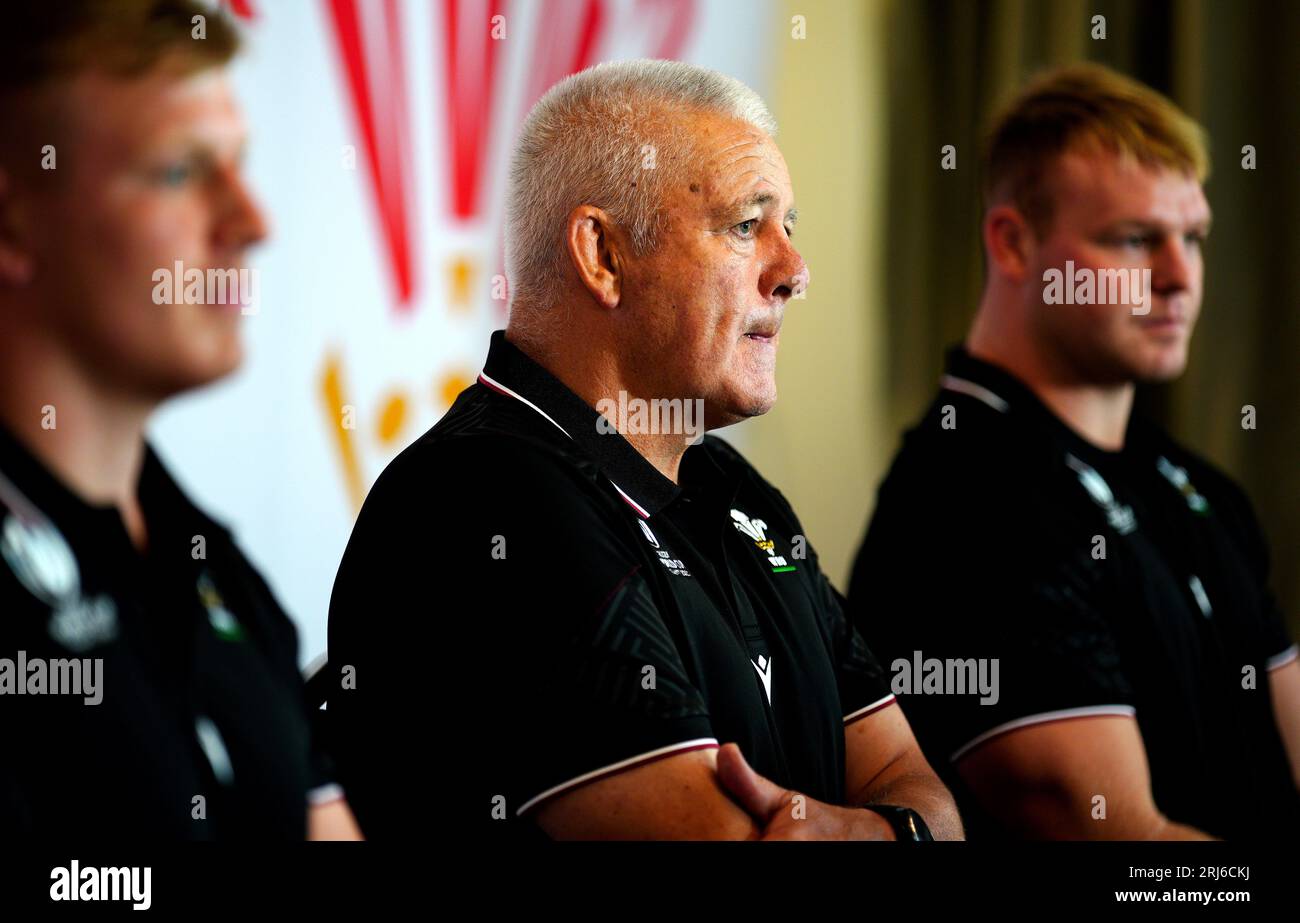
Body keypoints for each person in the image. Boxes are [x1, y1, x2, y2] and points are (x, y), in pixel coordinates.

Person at [327, 59, 962, 841]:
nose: (794, 271)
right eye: (743, 226)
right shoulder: (484, 497)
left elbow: (919, 788)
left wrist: (877, 832)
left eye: (787, 229)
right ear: (603, 255)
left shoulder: (737, 489)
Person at [848, 63, 1300, 839]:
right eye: (1134, 240)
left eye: (1193, 237)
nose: (1180, 277)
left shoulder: (1196, 486)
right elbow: (1126, 849)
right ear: (1015, 245)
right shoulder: (966, 500)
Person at [0, 0, 361, 839]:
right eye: (177, 171)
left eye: (238, 165)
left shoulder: (215, 568)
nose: (251, 223)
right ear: (13, 221)